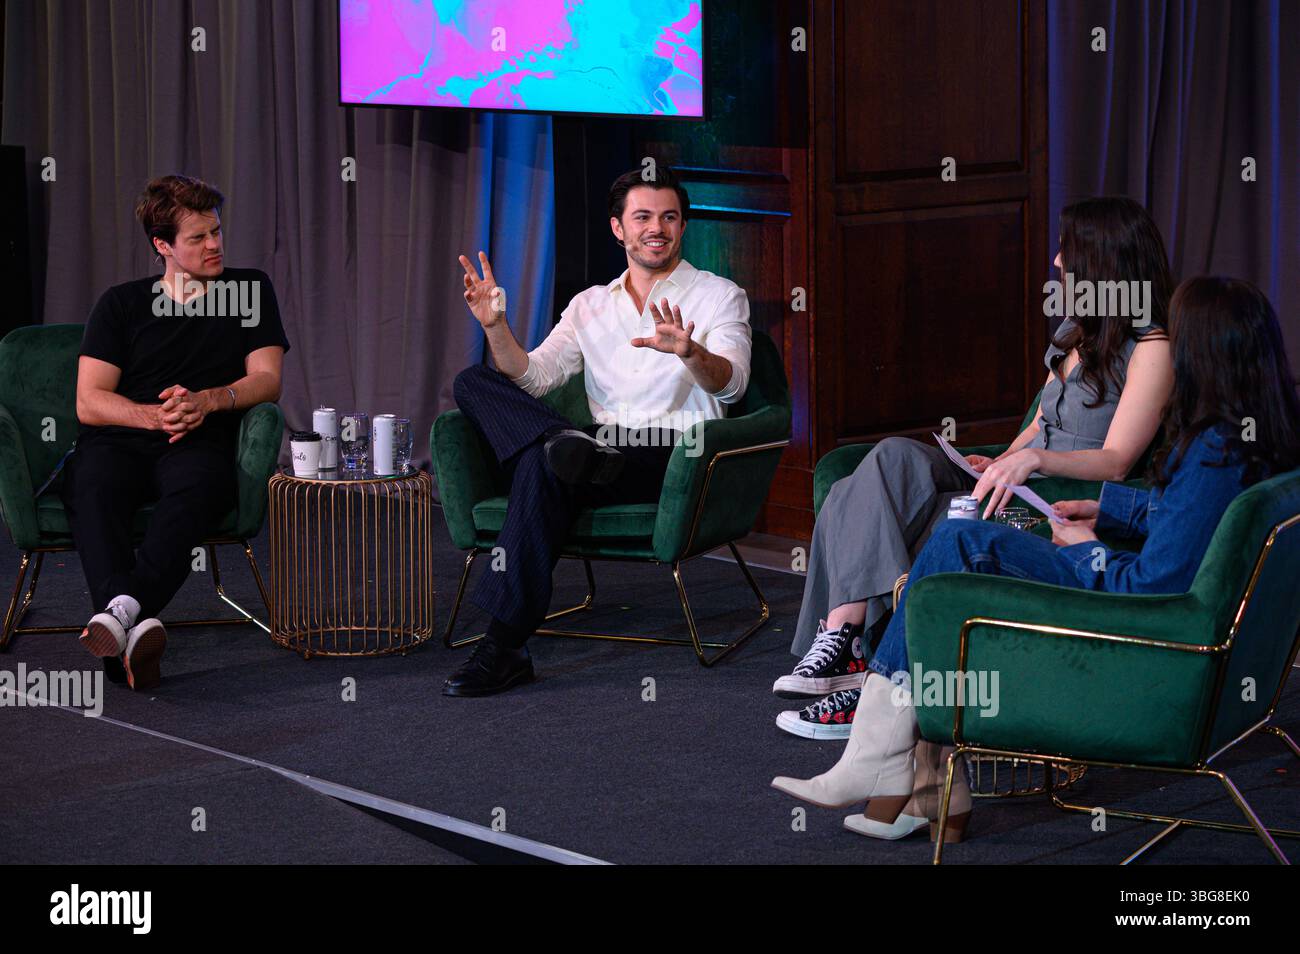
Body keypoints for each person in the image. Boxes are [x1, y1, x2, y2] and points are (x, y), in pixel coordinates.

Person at [771, 276, 1300, 843]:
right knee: (954, 556)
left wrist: (1088, 551)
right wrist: (1110, 511)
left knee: (958, 545)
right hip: (1194, 646)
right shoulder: (1255, 441)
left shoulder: (1212, 451)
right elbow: (1201, 524)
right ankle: (913, 779)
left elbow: (1151, 587)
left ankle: (892, 761)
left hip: (1147, 639)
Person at [773, 196, 1176, 741]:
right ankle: (848, 636)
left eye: (1068, 251)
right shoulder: (1078, 332)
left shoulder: (1153, 347)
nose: (1057, 263)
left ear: (1106, 261)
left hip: (1067, 489)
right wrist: (1007, 455)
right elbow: (1041, 420)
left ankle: (868, 666)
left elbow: (1117, 459)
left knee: (860, 497)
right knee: (889, 458)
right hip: (1025, 472)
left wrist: (1033, 460)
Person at [444, 166, 752, 696]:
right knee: (474, 381)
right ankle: (565, 449)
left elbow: (734, 386)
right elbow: (534, 378)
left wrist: (690, 352)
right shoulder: (589, 303)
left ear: (682, 227)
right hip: (595, 443)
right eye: (643, 217)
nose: (657, 228)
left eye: (669, 217)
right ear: (618, 228)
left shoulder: (719, 295)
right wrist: (495, 326)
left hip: (674, 450)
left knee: (546, 463)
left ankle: (503, 646)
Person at [63, 175, 289, 690]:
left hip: (199, 438)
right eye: (197, 238)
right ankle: (131, 627)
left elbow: (268, 379)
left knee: (197, 487)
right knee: (92, 483)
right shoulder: (121, 303)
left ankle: (119, 615)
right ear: (162, 245)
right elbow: (89, 400)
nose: (214, 245)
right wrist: (153, 416)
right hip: (121, 438)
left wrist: (209, 401)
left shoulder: (248, 291)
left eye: (216, 232)